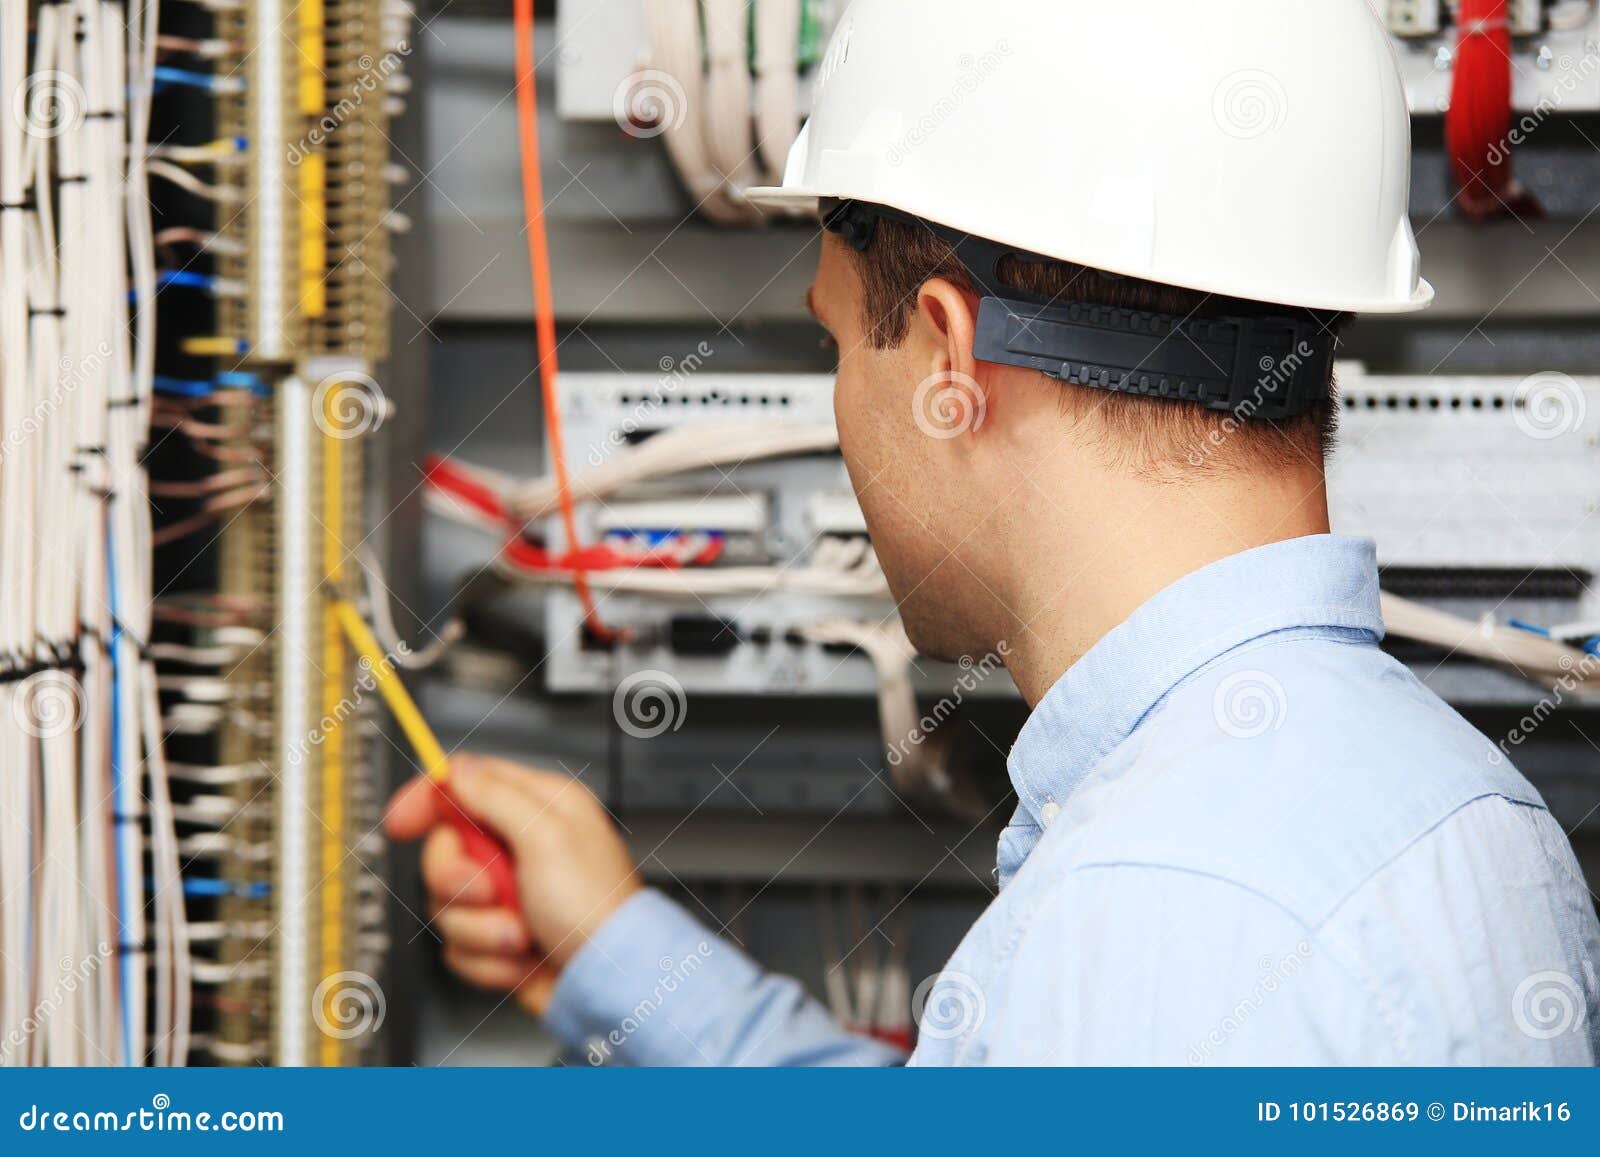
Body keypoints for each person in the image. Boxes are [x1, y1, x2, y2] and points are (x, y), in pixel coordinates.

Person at [385, 0, 1600, 1064]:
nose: (838, 407)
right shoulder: (1449, 811)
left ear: (947, 354)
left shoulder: (1156, 912)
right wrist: (614, 956)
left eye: (834, 344)